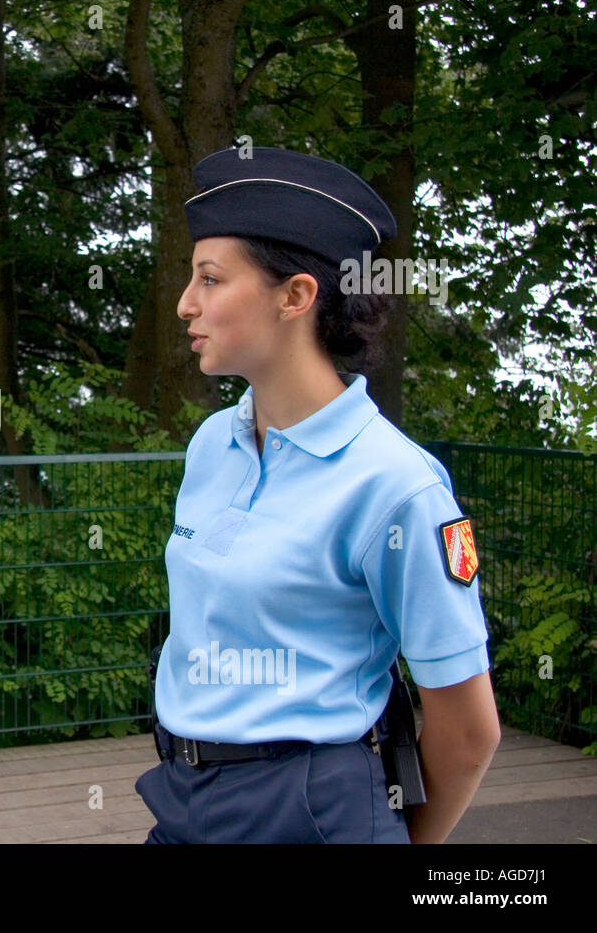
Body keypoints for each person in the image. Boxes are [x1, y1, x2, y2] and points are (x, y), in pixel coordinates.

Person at [134, 146, 500, 844]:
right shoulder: (213, 442)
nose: (185, 303)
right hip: (181, 796)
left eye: (210, 279)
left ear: (296, 297)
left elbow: (469, 730)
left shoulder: (397, 485)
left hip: (312, 813)